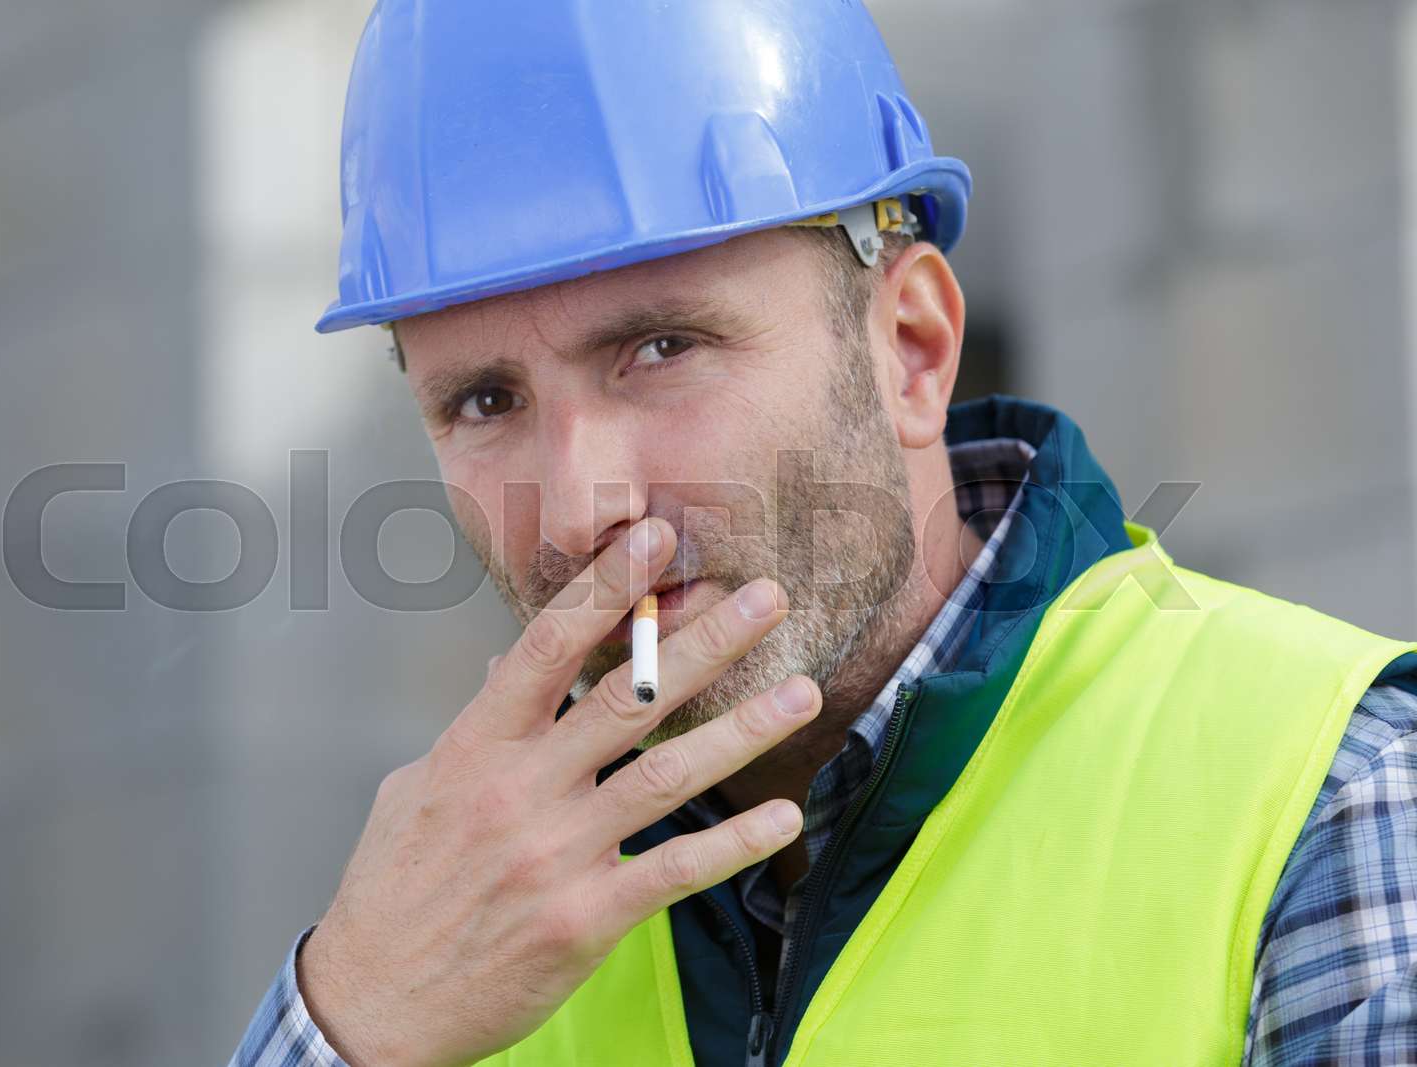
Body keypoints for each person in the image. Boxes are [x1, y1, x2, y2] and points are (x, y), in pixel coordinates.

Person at [231, 2, 1417, 1064]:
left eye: (661, 348)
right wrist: (349, 1019)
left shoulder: (1337, 801)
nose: (583, 505)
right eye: (483, 401)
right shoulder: (454, 915)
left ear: (908, 347)